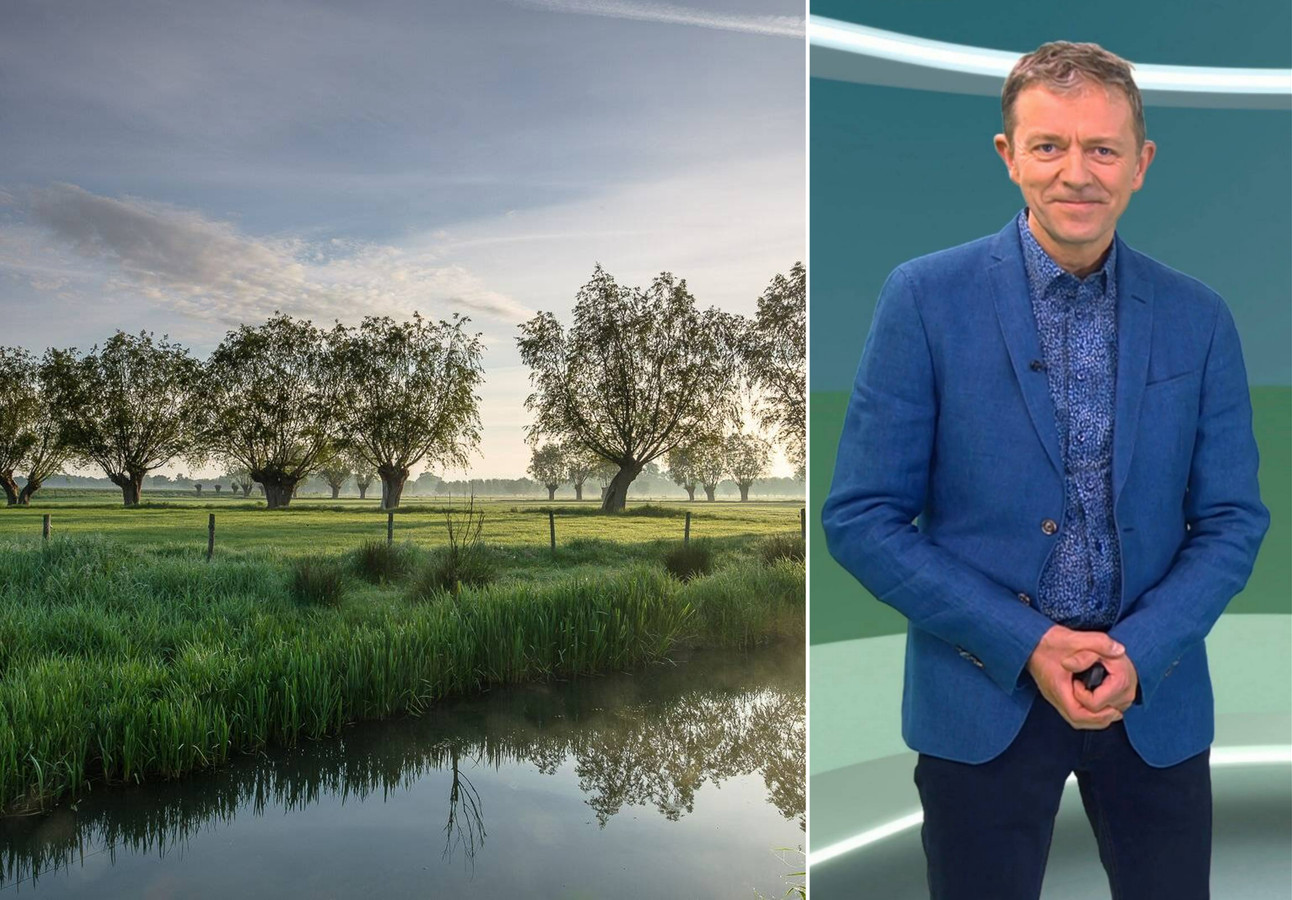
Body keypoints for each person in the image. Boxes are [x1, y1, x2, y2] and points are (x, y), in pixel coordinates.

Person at [821, 41, 1269, 900]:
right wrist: (1028, 642)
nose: (1078, 173)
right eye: (1050, 146)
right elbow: (861, 517)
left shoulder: (1200, 317)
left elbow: (1232, 520)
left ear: (1140, 164)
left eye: (1103, 149)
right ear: (1009, 156)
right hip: (980, 700)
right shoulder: (921, 299)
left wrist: (1140, 650)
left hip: (1155, 700)